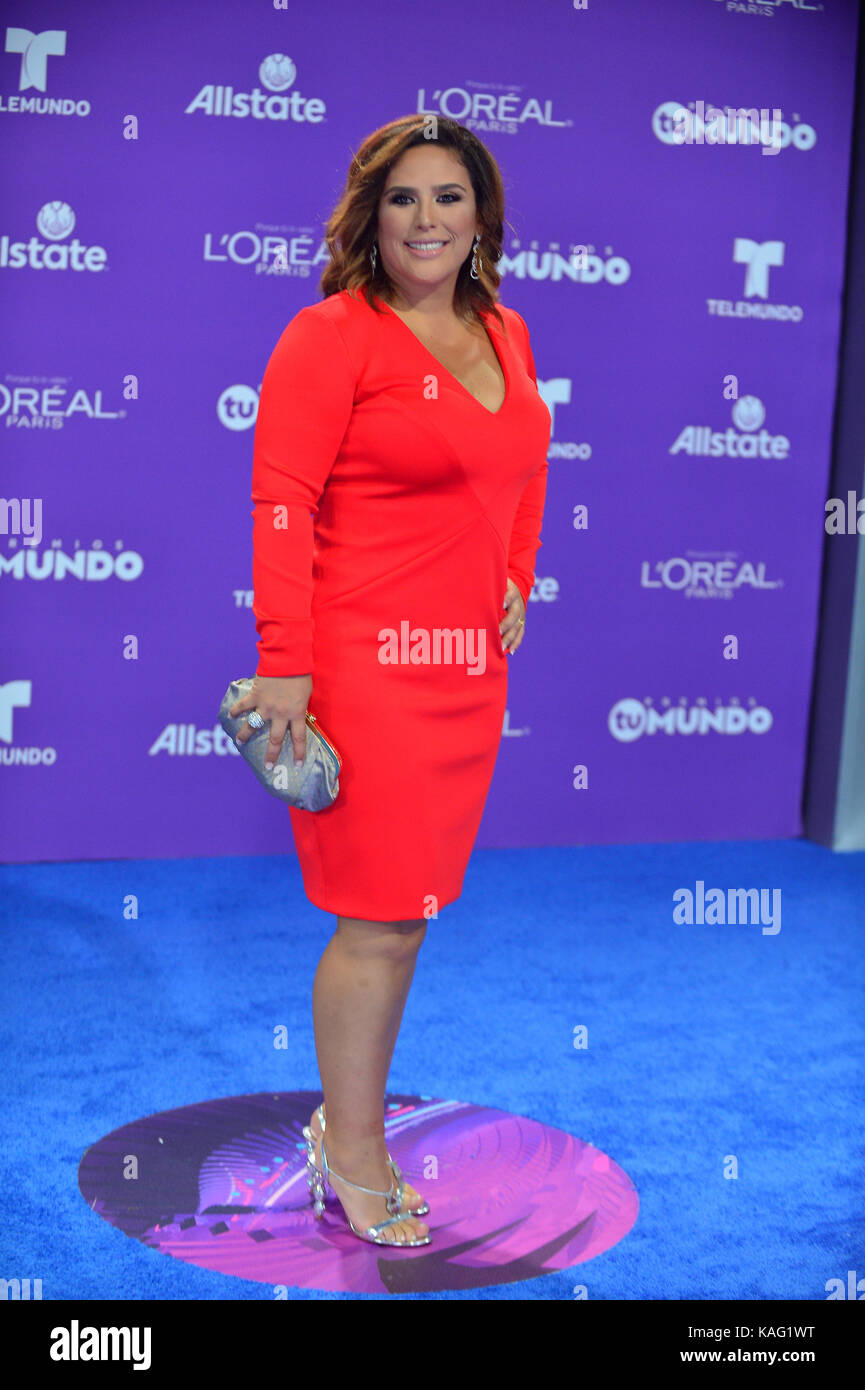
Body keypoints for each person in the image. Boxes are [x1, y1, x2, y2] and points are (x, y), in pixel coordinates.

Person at [230, 114, 551, 1247]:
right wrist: (284, 666)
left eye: (449, 198)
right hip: (365, 667)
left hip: (467, 671)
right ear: (371, 215)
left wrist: (515, 574)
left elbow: (523, 458)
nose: (427, 219)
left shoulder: (503, 329)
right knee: (377, 920)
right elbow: (283, 502)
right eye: (404, 198)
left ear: (480, 219)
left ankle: (346, 1123)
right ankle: (352, 1152)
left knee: (409, 915)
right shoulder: (330, 337)